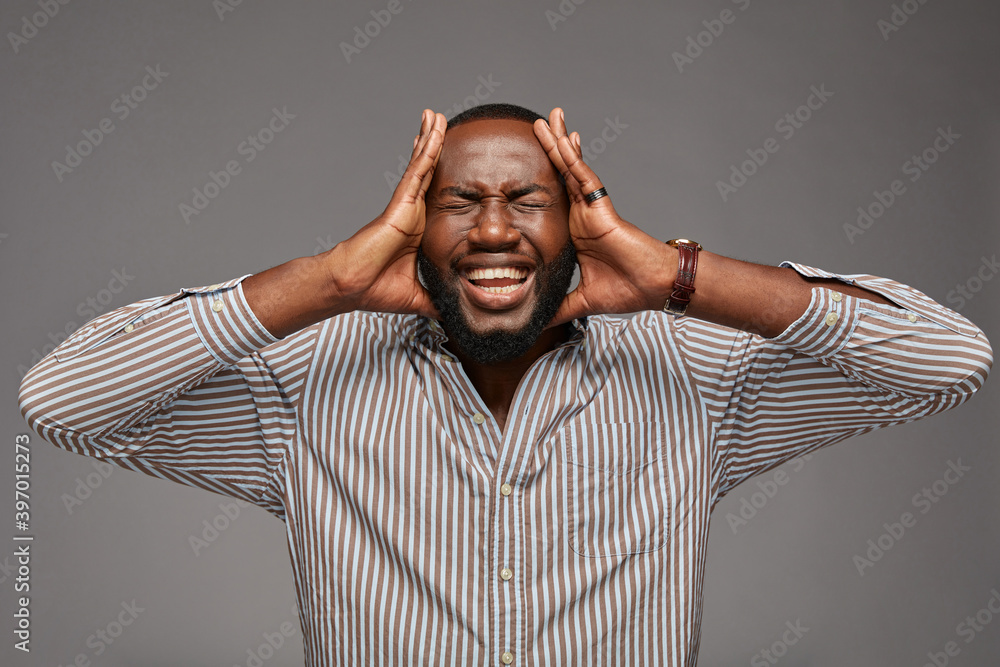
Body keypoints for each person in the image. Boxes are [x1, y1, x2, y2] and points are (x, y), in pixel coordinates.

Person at [19, 102, 992, 666]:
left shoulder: (694, 378)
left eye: (530, 200)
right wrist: (331, 280)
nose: (493, 230)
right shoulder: (303, 389)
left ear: (577, 225)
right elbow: (62, 398)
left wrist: (676, 277)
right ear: (412, 226)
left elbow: (948, 358)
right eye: (457, 203)